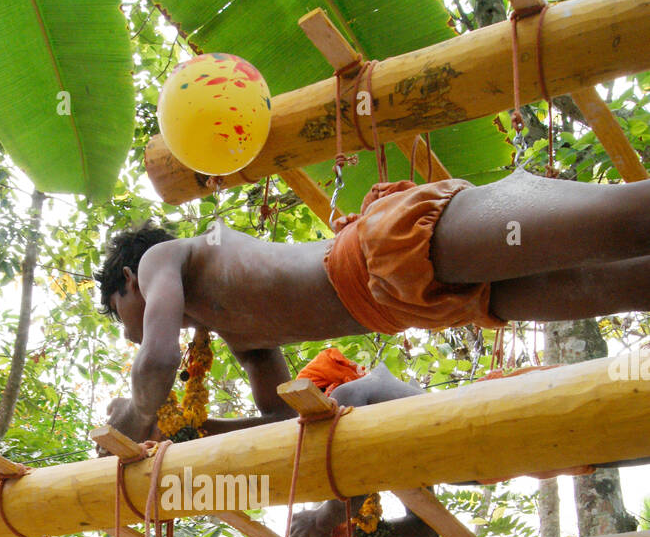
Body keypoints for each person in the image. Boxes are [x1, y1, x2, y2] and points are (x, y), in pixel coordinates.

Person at [94, 169, 650, 442]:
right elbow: (282, 415)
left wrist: (139, 419)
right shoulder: (238, 334)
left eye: (121, 316)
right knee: (629, 283)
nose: (127, 338)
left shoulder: (163, 258)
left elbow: (157, 361)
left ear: (129, 279)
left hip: (384, 249)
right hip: (412, 303)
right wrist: (203, 428)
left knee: (631, 219)